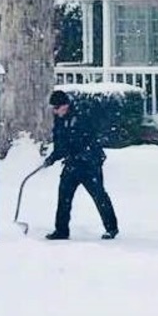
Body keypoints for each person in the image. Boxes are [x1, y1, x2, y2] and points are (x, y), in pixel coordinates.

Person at [43, 90, 120, 240]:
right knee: (64, 196)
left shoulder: (81, 115)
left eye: (56, 107)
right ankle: (61, 230)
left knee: (99, 195)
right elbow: (61, 143)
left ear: (64, 106)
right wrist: (52, 158)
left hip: (89, 164)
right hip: (72, 164)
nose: (54, 111)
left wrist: (83, 155)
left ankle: (111, 228)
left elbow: (88, 138)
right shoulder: (59, 120)